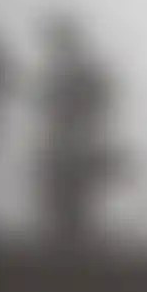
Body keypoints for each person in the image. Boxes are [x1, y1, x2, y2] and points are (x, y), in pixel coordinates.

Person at [37, 14, 117, 241]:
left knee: (73, 201)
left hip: (76, 146)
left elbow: (97, 104)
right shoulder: (63, 75)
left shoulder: (81, 75)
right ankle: (69, 237)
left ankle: (74, 238)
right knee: (62, 202)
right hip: (64, 147)